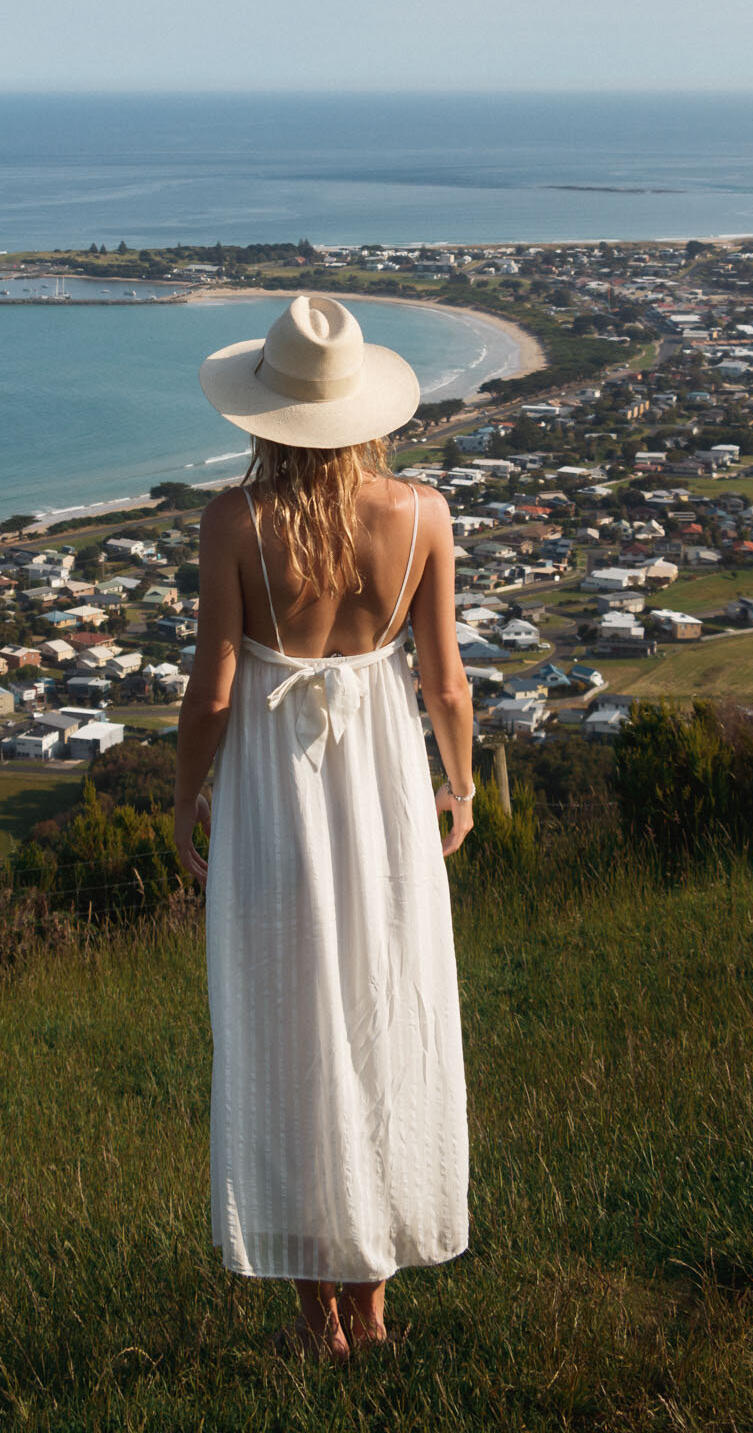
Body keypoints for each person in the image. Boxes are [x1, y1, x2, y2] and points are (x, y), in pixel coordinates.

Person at [174, 294, 473, 1363]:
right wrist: (461, 783)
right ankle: (376, 1306)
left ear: (266, 410)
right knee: (382, 1017)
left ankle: (318, 1320)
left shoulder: (230, 522)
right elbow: (443, 679)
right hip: (386, 782)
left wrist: (184, 795)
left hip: (274, 788)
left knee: (288, 1024)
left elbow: (213, 688)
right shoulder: (422, 512)